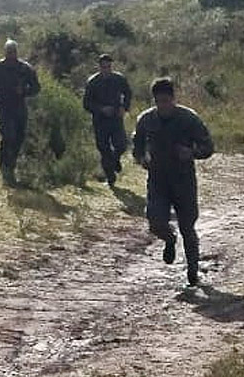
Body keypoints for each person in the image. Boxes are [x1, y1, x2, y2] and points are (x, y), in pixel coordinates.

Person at [131, 77, 215, 286]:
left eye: (167, 100)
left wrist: (191, 152)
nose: (164, 105)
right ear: (155, 100)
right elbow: (137, 145)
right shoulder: (146, 120)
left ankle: (193, 271)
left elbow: (208, 147)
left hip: (183, 179)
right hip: (158, 179)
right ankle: (169, 239)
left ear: (173, 99)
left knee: (188, 226)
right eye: (159, 101)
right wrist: (142, 158)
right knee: (155, 221)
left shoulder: (188, 119)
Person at [0, 39, 41, 186]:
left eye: (14, 51)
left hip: (19, 107)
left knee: (19, 137)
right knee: (8, 135)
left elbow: (36, 87)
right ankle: (5, 168)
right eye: (9, 51)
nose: (11, 54)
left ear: (17, 52)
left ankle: (11, 164)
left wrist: (24, 91)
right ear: (5, 52)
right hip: (3, 107)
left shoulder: (25, 68)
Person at [82, 53, 132, 187]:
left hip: (116, 118)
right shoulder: (93, 82)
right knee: (103, 149)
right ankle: (110, 177)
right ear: (99, 67)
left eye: (109, 67)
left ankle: (115, 160)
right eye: (104, 67)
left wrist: (124, 107)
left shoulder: (119, 79)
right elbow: (86, 103)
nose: (106, 69)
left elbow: (128, 93)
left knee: (121, 145)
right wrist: (101, 109)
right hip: (100, 120)